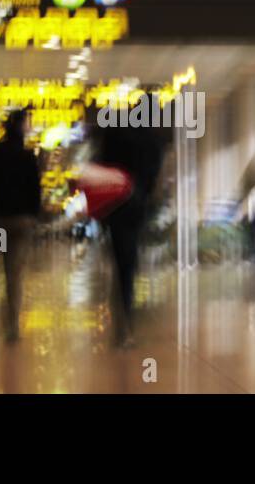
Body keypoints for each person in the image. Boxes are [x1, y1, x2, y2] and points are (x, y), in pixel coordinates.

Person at [92, 121, 163, 348]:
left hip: (114, 204)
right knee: (128, 263)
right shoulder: (151, 138)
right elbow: (153, 175)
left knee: (120, 260)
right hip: (136, 205)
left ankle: (122, 322)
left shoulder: (115, 132)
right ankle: (125, 323)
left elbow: (102, 162)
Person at [0, 109, 41, 342]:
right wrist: (35, 217)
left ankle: (3, 316)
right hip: (22, 222)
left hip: (0, 221)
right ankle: (12, 324)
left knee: (2, 266)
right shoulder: (28, 157)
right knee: (15, 272)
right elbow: (35, 192)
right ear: (22, 127)